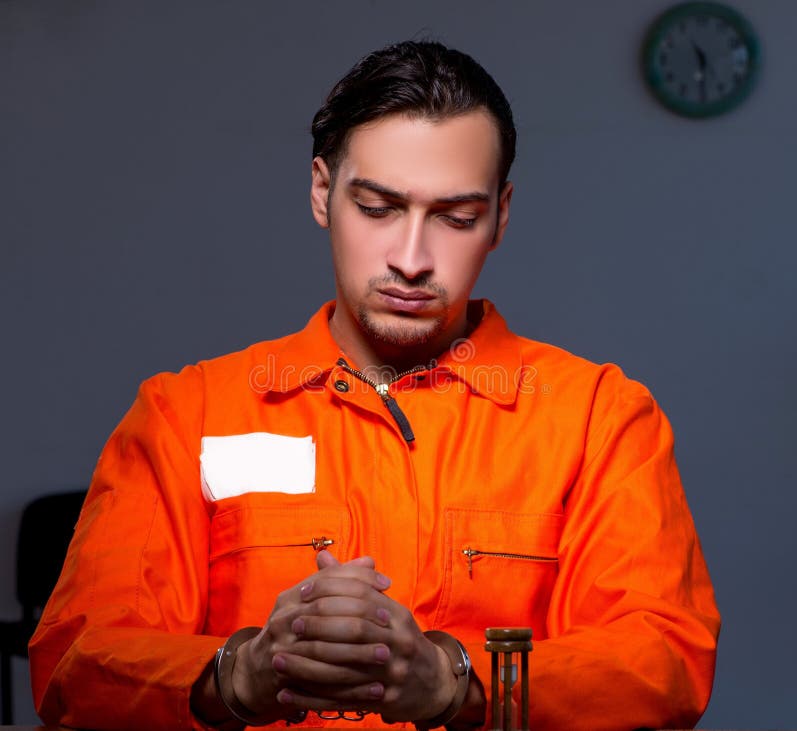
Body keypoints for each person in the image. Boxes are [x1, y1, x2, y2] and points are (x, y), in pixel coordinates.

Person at [29, 40, 720, 731]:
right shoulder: (185, 415)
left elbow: (662, 660)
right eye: (379, 207)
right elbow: (77, 661)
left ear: (500, 216)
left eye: (455, 216)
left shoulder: (599, 418)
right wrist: (238, 673)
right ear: (322, 192)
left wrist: (459, 683)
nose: (412, 260)